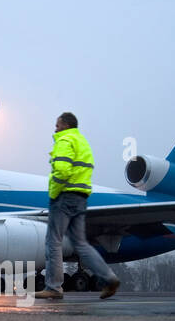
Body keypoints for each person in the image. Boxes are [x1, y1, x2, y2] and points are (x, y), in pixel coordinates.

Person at [34, 113, 120, 300]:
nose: (55, 129)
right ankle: (109, 277)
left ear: (65, 125)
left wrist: (54, 193)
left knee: (53, 241)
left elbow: (62, 171)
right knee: (80, 244)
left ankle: (54, 287)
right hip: (81, 198)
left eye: (57, 125)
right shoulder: (83, 143)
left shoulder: (65, 140)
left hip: (64, 197)